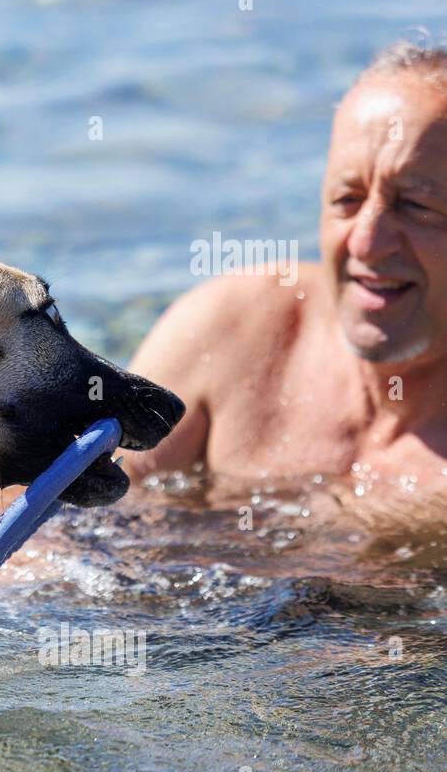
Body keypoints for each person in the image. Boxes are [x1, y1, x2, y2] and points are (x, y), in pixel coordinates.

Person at [126, 40, 447, 495]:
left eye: (415, 206)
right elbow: (54, 519)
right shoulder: (233, 329)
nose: (366, 241)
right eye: (346, 200)